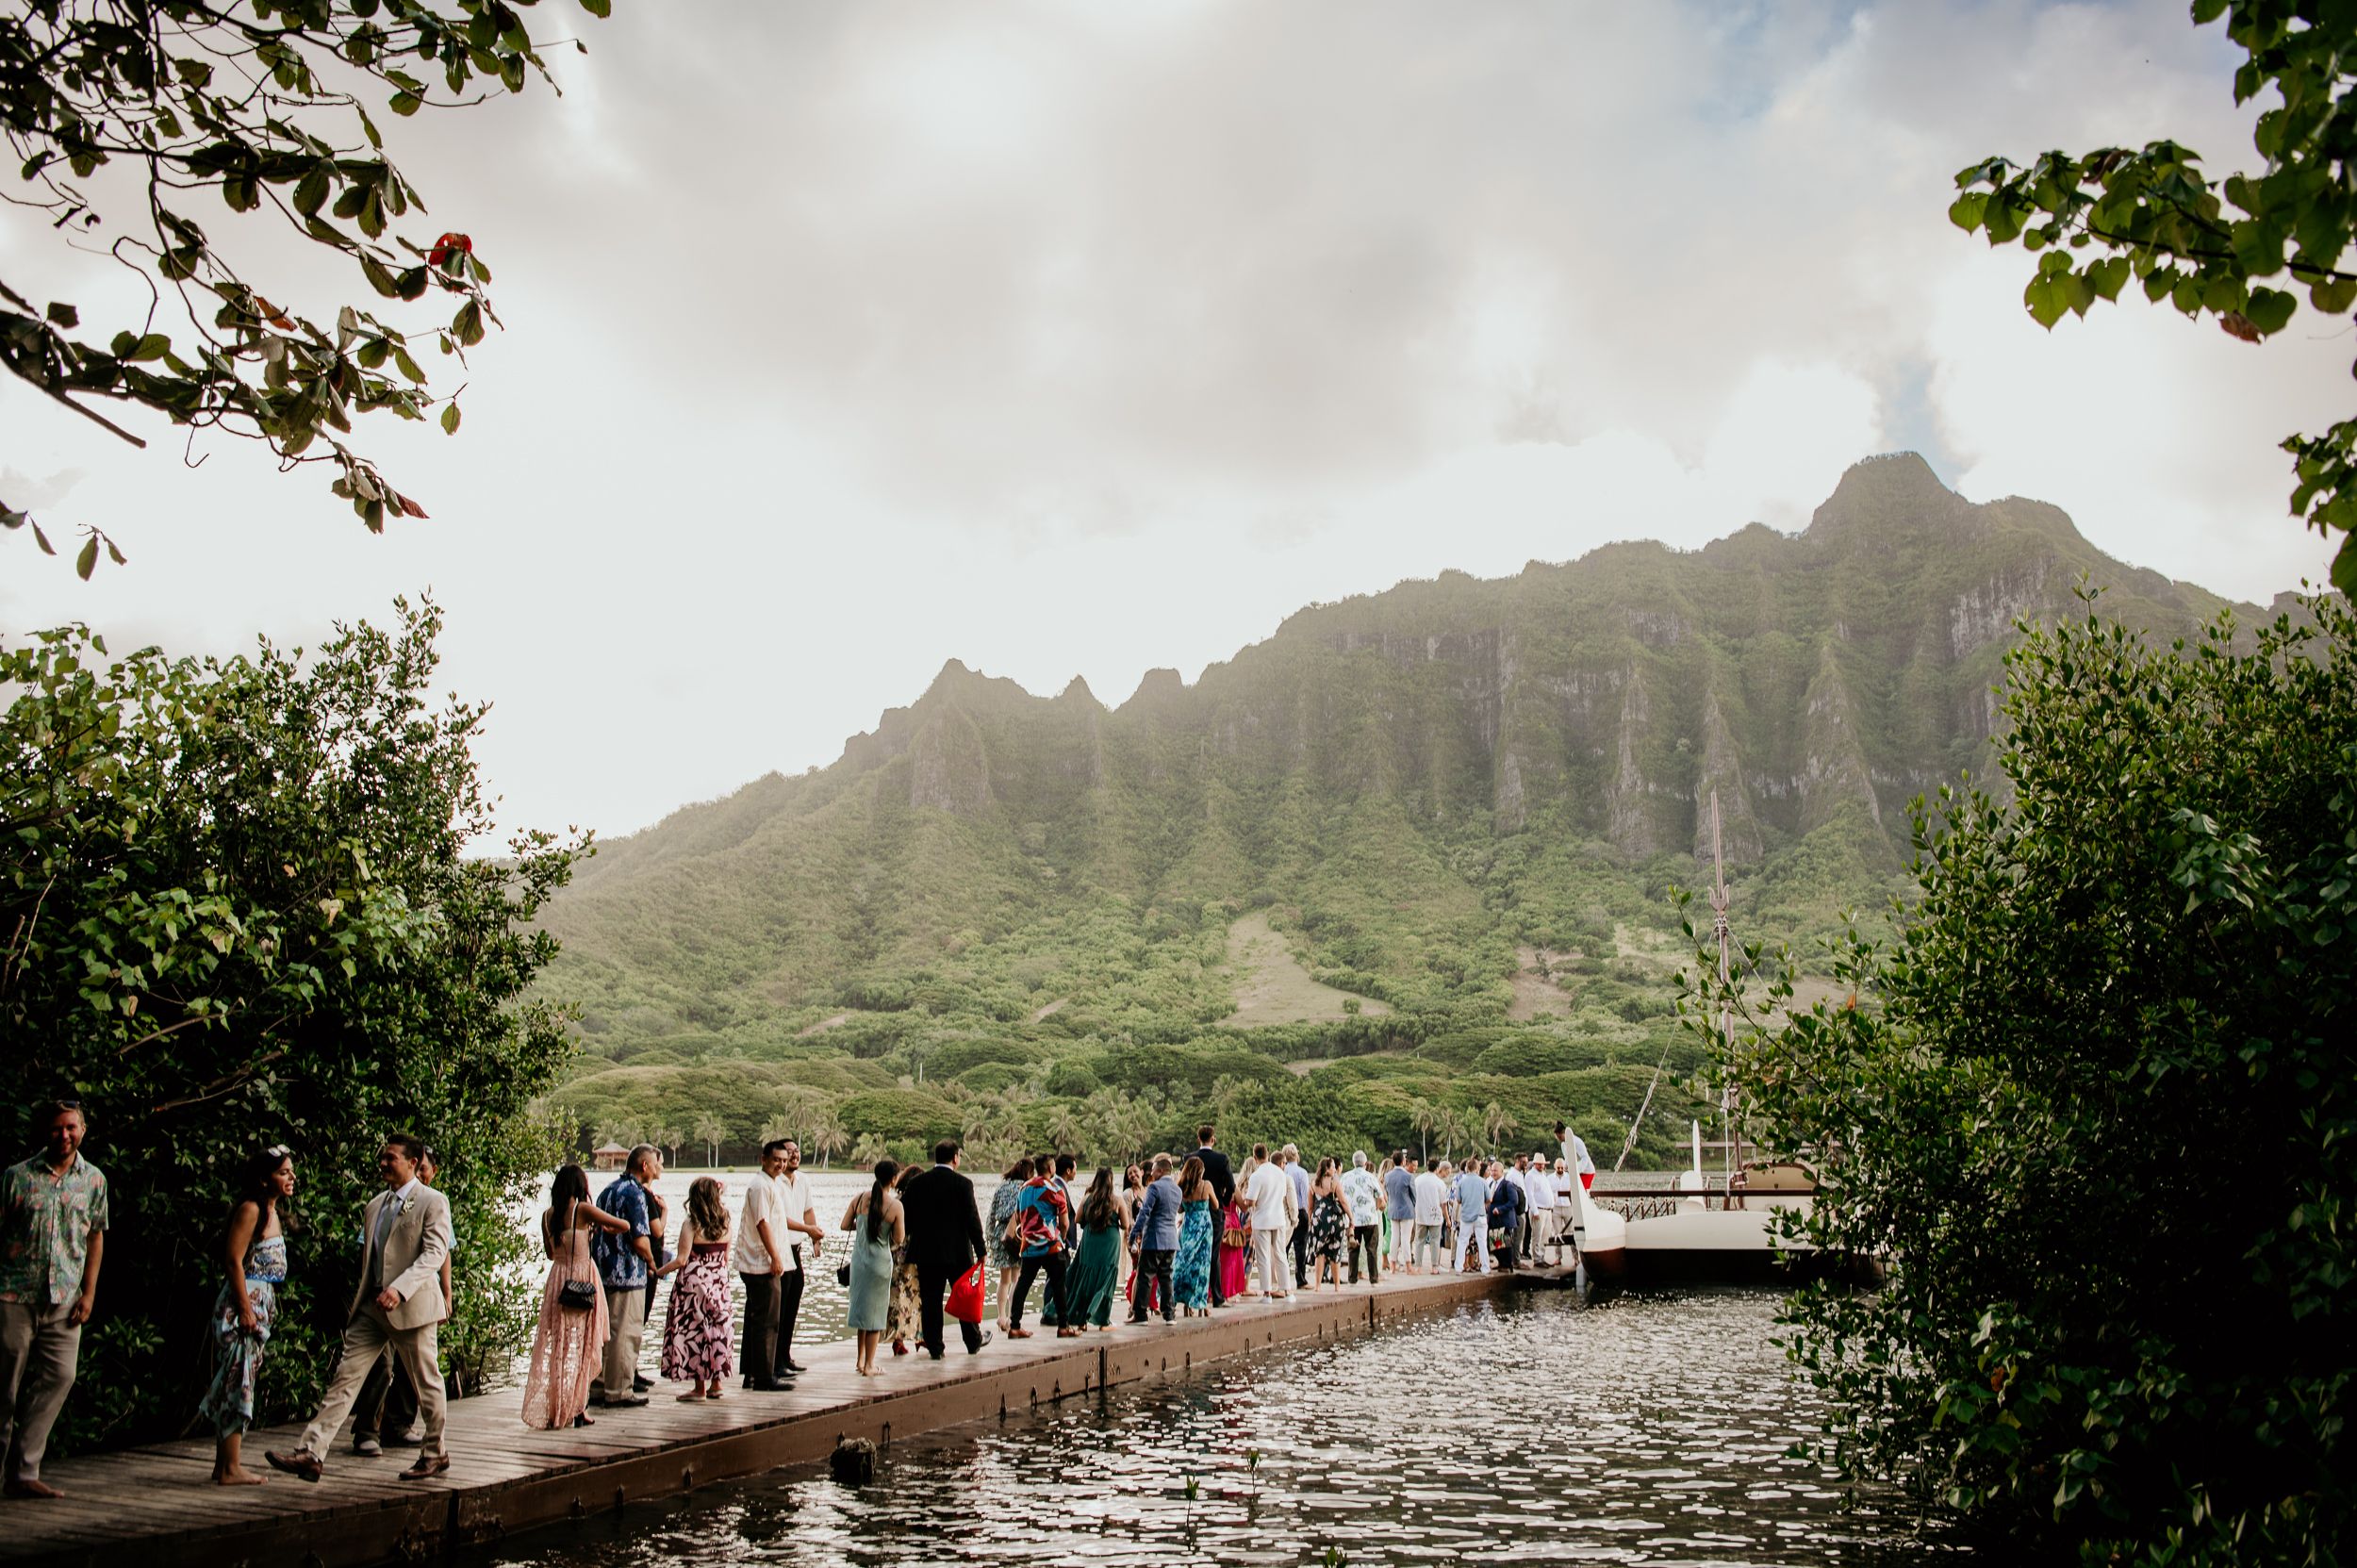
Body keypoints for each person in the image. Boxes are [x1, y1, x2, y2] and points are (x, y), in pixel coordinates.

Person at [266, 1133, 452, 1483]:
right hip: (371, 1308)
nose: (383, 1163)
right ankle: (311, 1452)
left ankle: (435, 1453)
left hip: (411, 1307)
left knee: (427, 1382)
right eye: (383, 1157)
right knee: (344, 1379)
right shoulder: (374, 1205)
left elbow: (434, 1254)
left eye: (391, 1158)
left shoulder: (433, 1201)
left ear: (413, 1163)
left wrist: (399, 1290)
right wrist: (373, 1295)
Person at [0, 1101, 107, 1501]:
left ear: (83, 1130)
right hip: (14, 1294)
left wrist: (89, 1292)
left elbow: (96, 1234)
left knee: (61, 1376)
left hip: (65, 1298)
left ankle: (25, 1471)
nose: (65, 1136)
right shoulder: (18, 1176)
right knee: (4, 1388)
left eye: (71, 1128)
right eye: (57, 1128)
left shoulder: (94, 1180)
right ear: (46, 1131)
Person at [200, 1147, 293, 1485]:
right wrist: (245, 1310)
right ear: (264, 1178)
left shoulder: (272, 1212)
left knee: (240, 1379)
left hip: (259, 1304)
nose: (291, 1178)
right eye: (283, 1172)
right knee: (238, 1383)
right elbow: (233, 1261)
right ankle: (230, 1467)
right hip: (243, 1307)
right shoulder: (252, 1210)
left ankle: (224, 1464)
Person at [352, 1143, 451, 1456]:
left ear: (431, 1172)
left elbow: (442, 1252)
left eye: (425, 1169)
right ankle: (366, 1429)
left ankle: (402, 1426)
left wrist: (447, 1293)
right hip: (381, 1300)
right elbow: (369, 1252)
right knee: (379, 1366)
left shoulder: (434, 1204)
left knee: (418, 1373)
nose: (421, 1173)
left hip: (418, 1299)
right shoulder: (382, 1205)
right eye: (417, 1167)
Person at [521, 1163, 629, 1429]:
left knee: (559, 1347)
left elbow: (549, 1254)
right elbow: (624, 1225)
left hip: (558, 1281)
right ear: (581, 1186)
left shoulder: (548, 1216)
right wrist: (603, 1227)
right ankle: (579, 1408)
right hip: (583, 1279)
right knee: (582, 1347)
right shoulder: (583, 1210)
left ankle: (557, 1407)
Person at [899, 1139, 992, 1360]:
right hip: (958, 1253)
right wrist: (981, 1250)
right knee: (964, 1297)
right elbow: (973, 1220)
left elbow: (906, 1217)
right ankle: (972, 1341)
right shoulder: (963, 1184)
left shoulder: (918, 1183)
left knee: (931, 1300)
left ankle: (935, 1347)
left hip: (927, 1253)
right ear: (955, 1158)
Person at [588, 1145, 659, 1409]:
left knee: (605, 1332)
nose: (658, 1168)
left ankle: (598, 1386)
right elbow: (640, 1239)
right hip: (627, 1274)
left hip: (602, 1271)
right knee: (626, 1333)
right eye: (655, 1164)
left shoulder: (607, 1190)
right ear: (644, 1166)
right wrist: (652, 1264)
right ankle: (619, 1390)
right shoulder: (635, 1193)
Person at [654, 1176, 734, 1399]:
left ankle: (699, 1388)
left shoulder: (691, 1224)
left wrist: (658, 1272)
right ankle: (716, 1384)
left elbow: (681, 1259)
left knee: (695, 1331)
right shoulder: (726, 1221)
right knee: (717, 1329)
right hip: (718, 1280)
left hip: (694, 1283)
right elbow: (725, 1256)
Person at [736, 1139, 795, 1391]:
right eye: (776, 1160)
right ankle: (763, 1377)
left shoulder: (770, 1184)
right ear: (763, 1159)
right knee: (767, 1322)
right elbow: (762, 1223)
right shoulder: (761, 1186)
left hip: (762, 1261)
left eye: (784, 1160)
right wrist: (776, 1256)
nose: (781, 1165)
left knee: (757, 1319)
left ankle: (752, 1372)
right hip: (761, 1263)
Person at [766, 1139, 825, 1380]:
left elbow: (808, 1210)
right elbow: (780, 1218)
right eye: (788, 1153)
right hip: (780, 1249)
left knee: (792, 1305)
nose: (793, 1156)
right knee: (778, 1307)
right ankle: (775, 1361)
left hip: (797, 1248)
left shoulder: (803, 1181)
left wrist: (814, 1237)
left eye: (796, 1152)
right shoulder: (775, 1182)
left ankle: (785, 1355)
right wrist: (807, 1229)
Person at [841, 1159, 903, 1376]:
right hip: (879, 1264)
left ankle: (860, 1361)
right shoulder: (895, 1205)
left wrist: (863, 1225)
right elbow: (898, 1238)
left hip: (859, 1262)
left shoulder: (859, 1199)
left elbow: (844, 1225)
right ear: (894, 1179)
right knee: (875, 1316)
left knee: (861, 1312)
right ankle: (869, 1366)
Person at [1004, 1160, 1075, 1338]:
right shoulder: (1055, 1189)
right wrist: (1062, 1239)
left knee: (1023, 1285)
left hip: (1029, 1246)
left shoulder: (1024, 1188)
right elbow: (1065, 1222)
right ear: (1051, 1168)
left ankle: (1014, 1326)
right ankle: (1063, 1327)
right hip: (1051, 1245)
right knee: (1059, 1286)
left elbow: (1019, 1217)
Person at [1059, 1168, 1125, 1330]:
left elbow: (1077, 1218)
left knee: (1086, 1276)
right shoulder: (1117, 1200)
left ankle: (1081, 1320)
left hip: (1091, 1239)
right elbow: (1126, 1224)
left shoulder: (1087, 1199)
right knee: (1106, 1277)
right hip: (1110, 1241)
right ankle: (1103, 1320)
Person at [1127, 1154, 1182, 1323]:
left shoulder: (1154, 1188)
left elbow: (1145, 1213)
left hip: (1154, 1238)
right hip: (1171, 1239)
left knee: (1145, 1276)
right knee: (1166, 1278)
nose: (1151, 1174)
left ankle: (1141, 1315)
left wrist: (1134, 1233)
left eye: (1153, 1171)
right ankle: (1169, 1315)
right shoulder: (1177, 1190)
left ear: (1159, 1170)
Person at [1244, 1145, 1294, 1300]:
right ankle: (1286, 1290)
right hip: (1279, 1218)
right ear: (1267, 1155)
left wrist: (1246, 1200)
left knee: (1263, 1256)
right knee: (1281, 1255)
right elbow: (1283, 1195)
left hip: (1262, 1220)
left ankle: (1266, 1293)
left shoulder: (1256, 1176)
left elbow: (1250, 1201)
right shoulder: (1280, 1173)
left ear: (1255, 1157)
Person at [988, 1156, 1031, 1333]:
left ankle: (1001, 1316)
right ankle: (1013, 1317)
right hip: (1017, 1234)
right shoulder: (1025, 1188)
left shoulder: (1001, 1187)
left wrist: (990, 1235)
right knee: (1017, 1278)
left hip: (1001, 1234)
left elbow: (991, 1214)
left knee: (1004, 1279)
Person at [1192, 1128, 1234, 1306]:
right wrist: (1223, 1202)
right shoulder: (1221, 1159)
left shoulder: (1189, 1158)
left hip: (1193, 1212)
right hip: (1215, 1211)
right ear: (1213, 1139)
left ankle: (1193, 1294)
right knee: (1213, 1253)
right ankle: (1217, 1296)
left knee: (1193, 1253)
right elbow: (1231, 1185)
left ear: (1198, 1139)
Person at [884, 1164, 923, 1356]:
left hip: (894, 1254)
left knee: (897, 1296)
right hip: (909, 1254)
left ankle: (899, 1337)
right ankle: (915, 1336)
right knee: (913, 1296)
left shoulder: (896, 1200)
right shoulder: (915, 1201)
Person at [1170, 1156, 1215, 1317]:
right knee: (1202, 1266)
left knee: (1184, 1262)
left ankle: (1183, 1302)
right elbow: (1215, 1205)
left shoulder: (1182, 1186)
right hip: (1204, 1228)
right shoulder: (1206, 1185)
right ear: (1201, 1170)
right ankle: (1201, 1305)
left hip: (1188, 1227)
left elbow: (1179, 1210)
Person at [1340, 1150, 1382, 1286]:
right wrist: (1375, 1209)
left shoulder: (1345, 1177)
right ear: (1365, 1162)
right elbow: (1380, 1197)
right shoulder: (1370, 1177)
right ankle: (1374, 1280)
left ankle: (1352, 1279)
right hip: (1370, 1218)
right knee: (1371, 1249)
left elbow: (1340, 1197)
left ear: (1353, 1162)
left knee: (1353, 1249)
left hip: (1352, 1220)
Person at [1309, 1157, 1348, 1292]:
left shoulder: (1314, 1183)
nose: (1334, 1169)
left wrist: (1310, 1221)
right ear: (1327, 1168)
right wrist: (1351, 1218)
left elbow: (1310, 1206)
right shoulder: (1334, 1181)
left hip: (1318, 1219)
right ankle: (1337, 1286)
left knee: (1319, 1253)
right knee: (1335, 1252)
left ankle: (1318, 1286)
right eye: (1332, 1167)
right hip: (1334, 1219)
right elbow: (1343, 1201)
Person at [1453, 1158, 1492, 1274]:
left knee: (1462, 1242)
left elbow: (1458, 1200)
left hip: (1466, 1216)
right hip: (1480, 1215)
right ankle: (1485, 1268)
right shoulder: (1483, 1181)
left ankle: (1459, 1267)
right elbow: (1489, 1199)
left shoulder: (1461, 1182)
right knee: (1482, 1243)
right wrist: (1482, 1204)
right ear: (1476, 1168)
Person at [1485, 1159, 1524, 1272]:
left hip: (1504, 1219)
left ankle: (1507, 1264)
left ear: (1502, 1171)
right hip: (1493, 1219)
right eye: (1492, 1171)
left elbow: (1514, 1201)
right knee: (1495, 1243)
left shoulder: (1508, 1185)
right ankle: (1501, 1263)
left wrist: (1500, 1209)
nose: (1493, 1173)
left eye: (1495, 1171)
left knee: (1505, 1243)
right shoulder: (1491, 1183)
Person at [1282, 1145, 1311, 1290]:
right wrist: (1308, 1213)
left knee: (1284, 1248)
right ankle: (1300, 1280)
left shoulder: (1282, 1171)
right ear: (1296, 1155)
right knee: (1300, 1248)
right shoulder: (1302, 1172)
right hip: (1300, 1211)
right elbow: (1305, 1195)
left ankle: (1282, 1280)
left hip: (1284, 1213)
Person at [1384, 1152, 1418, 1275]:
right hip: (1407, 1210)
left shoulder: (1387, 1176)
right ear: (1403, 1161)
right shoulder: (1408, 1176)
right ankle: (1408, 1266)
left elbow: (1387, 1192)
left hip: (1393, 1209)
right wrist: (1412, 1206)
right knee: (1405, 1238)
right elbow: (1414, 1196)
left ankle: (1392, 1265)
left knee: (1394, 1238)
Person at [1413, 1160, 1448, 1273]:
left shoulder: (1418, 1180)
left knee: (1419, 1241)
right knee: (1435, 1241)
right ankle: (1434, 1267)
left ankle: (1418, 1266)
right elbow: (1444, 1203)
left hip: (1420, 1214)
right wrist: (1447, 1219)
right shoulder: (1439, 1183)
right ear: (1437, 1168)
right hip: (1435, 1216)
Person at [1556, 1122, 1597, 1191]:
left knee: (1579, 1191)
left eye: (1560, 1136)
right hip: (1575, 1173)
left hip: (1587, 1172)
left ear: (1564, 1133)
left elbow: (1585, 1158)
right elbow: (1567, 1158)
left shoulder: (1577, 1141)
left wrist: (1577, 1170)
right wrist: (1566, 1166)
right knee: (1571, 1192)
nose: (1558, 1139)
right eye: (1557, 1137)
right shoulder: (1563, 1145)